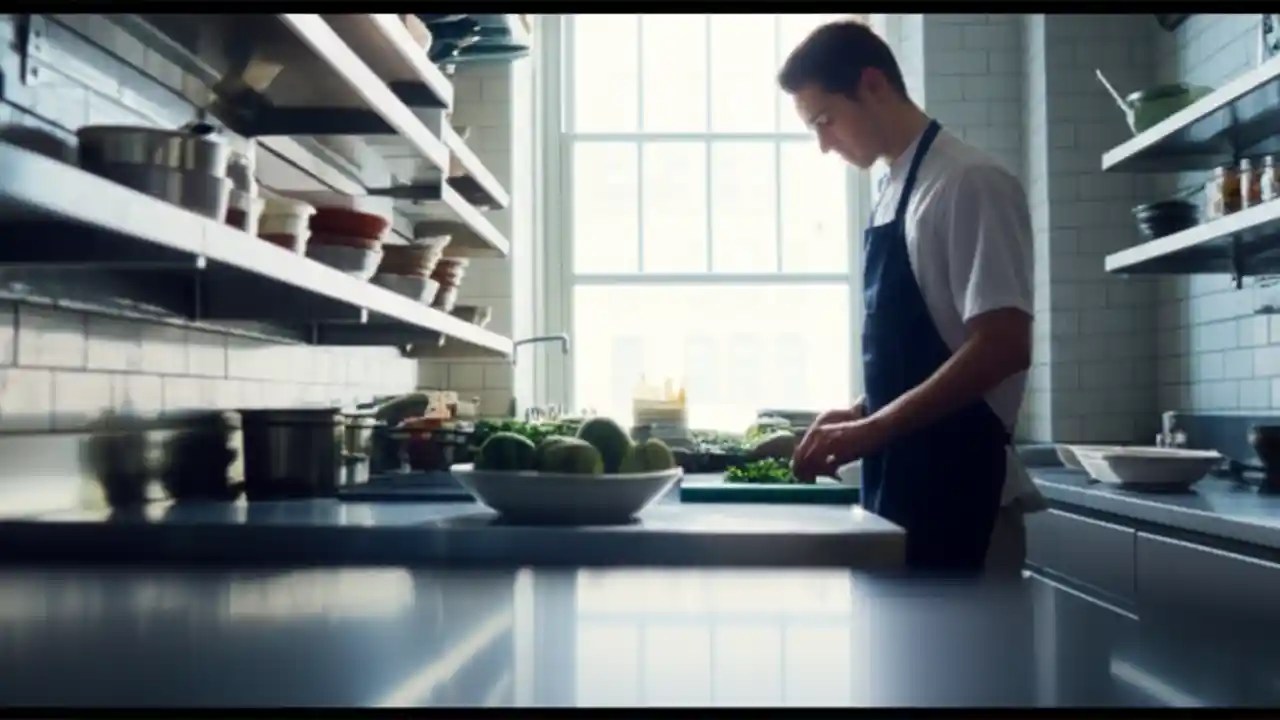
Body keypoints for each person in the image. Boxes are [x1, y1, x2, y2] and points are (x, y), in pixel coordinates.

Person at [780, 19, 1046, 578]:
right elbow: (930, 343)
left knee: (967, 668)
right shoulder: (892, 190)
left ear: (873, 85)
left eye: (825, 120)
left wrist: (872, 428)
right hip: (899, 494)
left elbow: (1002, 346)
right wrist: (861, 408)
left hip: (965, 495)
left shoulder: (970, 181)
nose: (825, 144)